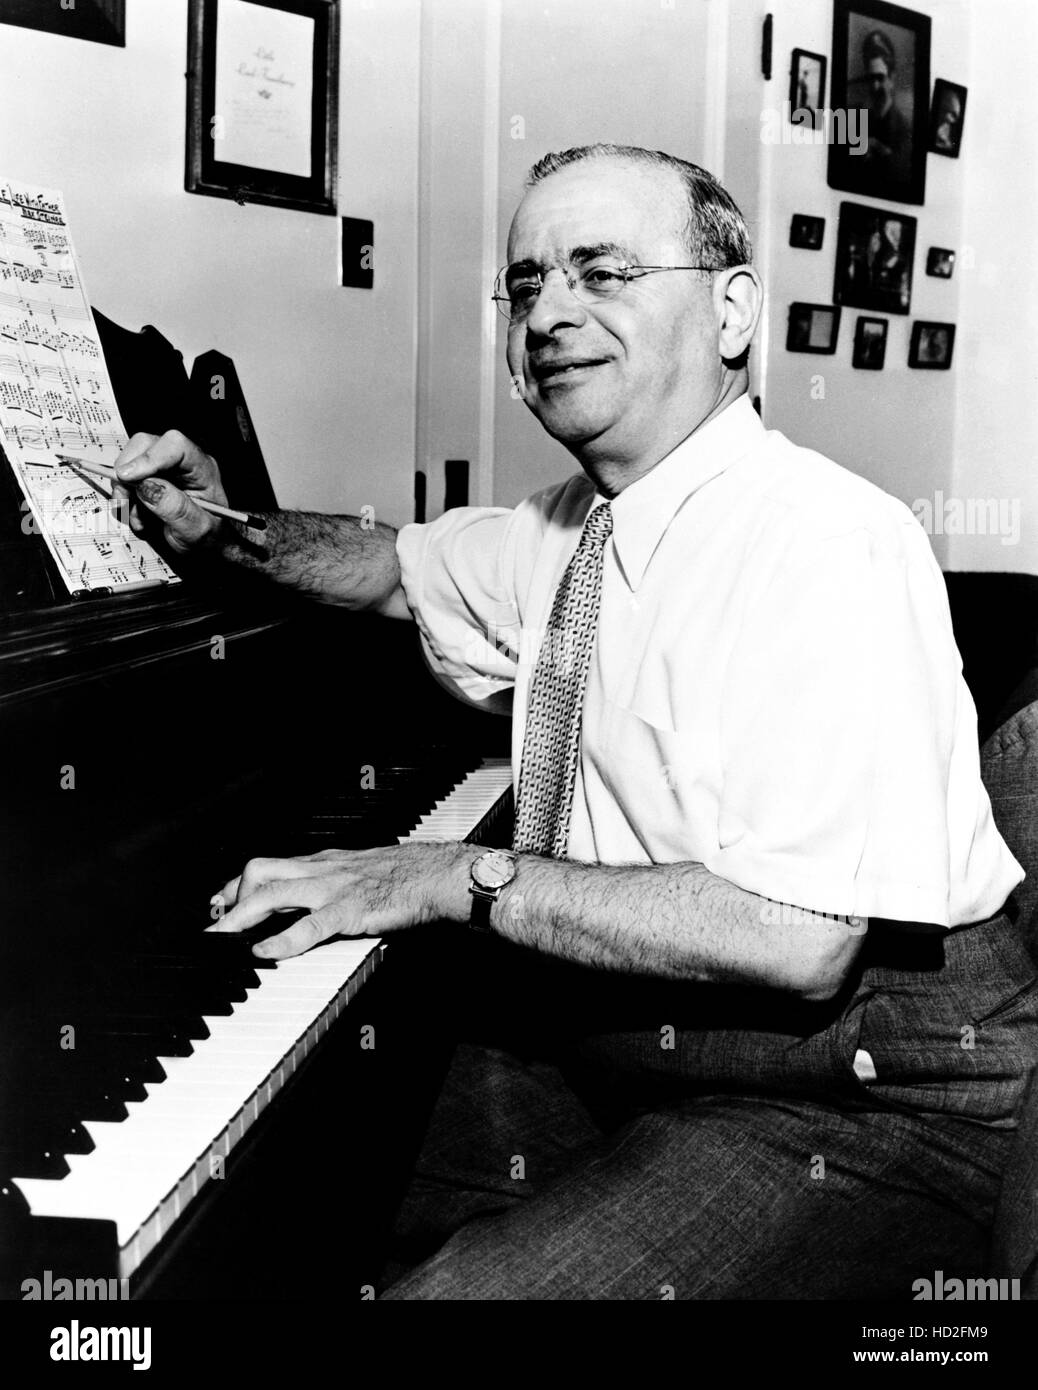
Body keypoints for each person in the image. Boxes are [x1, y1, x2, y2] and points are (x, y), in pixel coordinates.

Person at [112, 144, 1036, 1300]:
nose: (550, 313)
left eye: (601, 272)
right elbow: (390, 566)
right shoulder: (570, 530)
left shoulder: (826, 543)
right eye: (527, 283)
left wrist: (448, 877)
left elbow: (799, 939)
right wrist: (221, 527)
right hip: (639, 1045)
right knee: (297, 1205)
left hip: (859, 1098)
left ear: (733, 309)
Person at [859, 29, 912, 184]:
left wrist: (883, 153)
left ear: (892, 78)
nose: (875, 86)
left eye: (880, 78)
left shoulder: (904, 130)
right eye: (871, 78)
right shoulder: (853, 118)